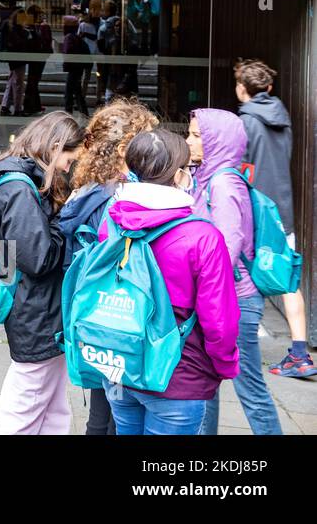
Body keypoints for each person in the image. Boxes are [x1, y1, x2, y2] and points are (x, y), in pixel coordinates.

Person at [99, 130, 240, 435]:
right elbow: (219, 320)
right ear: (178, 175)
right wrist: (225, 365)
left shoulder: (111, 222)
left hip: (119, 363)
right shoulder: (203, 237)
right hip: (178, 375)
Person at [0, 110, 84, 434]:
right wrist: (66, 218)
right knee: (23, 410)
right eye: (69, 158)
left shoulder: (19, 182)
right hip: (36, 313)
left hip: (40, 310)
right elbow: (38, 258)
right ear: (55, 146)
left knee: (52, 408)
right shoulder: (18, 189)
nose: (69, 167)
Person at [58, 97, 159, 434]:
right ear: (125, 148)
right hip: (119, 318)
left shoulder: (87, 188)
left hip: (93, 316)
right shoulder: (121, 199)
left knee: (102, 413)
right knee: (114, 417)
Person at [188, 108, 284, 435]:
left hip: (233, 301)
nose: (189, 141)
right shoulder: (207, 177)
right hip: (222, 298)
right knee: (205, 385)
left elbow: (228, 248)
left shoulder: (223, 184)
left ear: (218, 141)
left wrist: (201, 290)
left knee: (249, 388)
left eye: (197, 136)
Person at [235, 59, 315, 378]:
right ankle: (300, 353)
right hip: (283, 209)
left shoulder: (245, 122)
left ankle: (242, 349)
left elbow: (244, 169)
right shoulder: (283, 118)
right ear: (268, 88)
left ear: (243, 89)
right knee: (287, 280)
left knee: (242, 273)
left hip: (257, 211)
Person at [0, 8, 31, 117]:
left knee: (12, 81)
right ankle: (17, 109)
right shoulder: (16, 29)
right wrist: (26, 35)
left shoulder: (10, 26)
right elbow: (18, 43)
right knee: (18, 84)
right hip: (18, 58)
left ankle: (5, 106)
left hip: (14, 58)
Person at [23, 5, 53, 116]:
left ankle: (30, 106)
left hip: (38, 57)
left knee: (32, 81)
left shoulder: (42, 27)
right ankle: (35, 105)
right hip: (37, 57)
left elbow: (42, 42)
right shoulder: (35, 26)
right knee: (33, 81)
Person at [61, 15, 91, 116]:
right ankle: (84, 113)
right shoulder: (76, 38)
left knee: (69, 93)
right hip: (78, 68)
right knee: (77, 92)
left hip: (73, 69)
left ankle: (68, 115)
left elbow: (67, 52)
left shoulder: (69, 37)